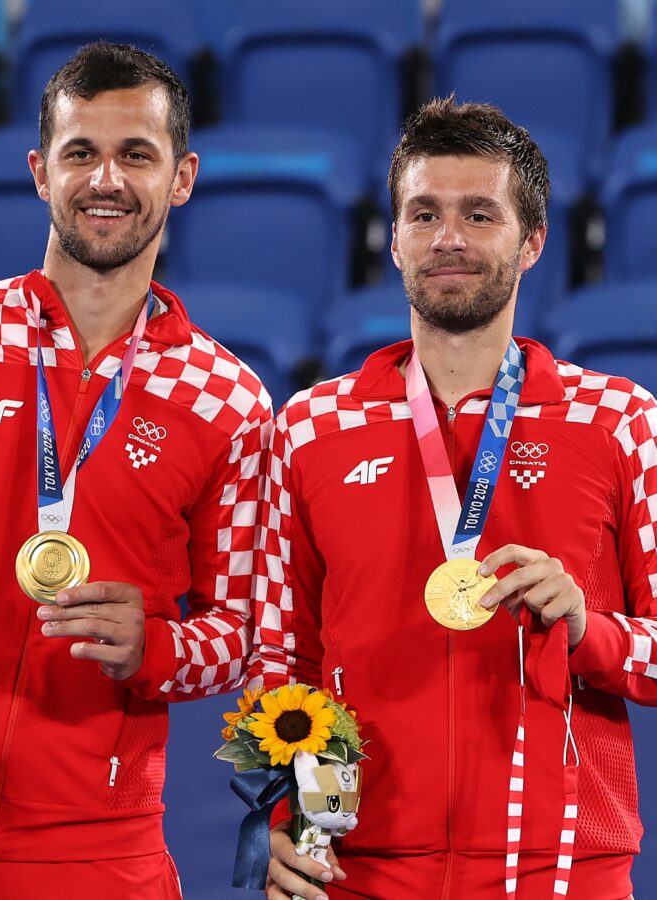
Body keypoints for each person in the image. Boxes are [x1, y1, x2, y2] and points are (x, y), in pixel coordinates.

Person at [249, 97, 656, 899]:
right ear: (393, 239)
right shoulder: (309, 427)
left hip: (558, 873)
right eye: (423, 213)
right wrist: (292, 825)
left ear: (532, 240)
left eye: (480, 214)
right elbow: (280, 661)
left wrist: (588, 630)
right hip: (358, 871)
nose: (448, 238)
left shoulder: (618, 420)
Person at [0, 42, 270, 900]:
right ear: (40, 172)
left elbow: (239, 633)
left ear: (184, 176)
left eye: (137, 154)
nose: (105, 179)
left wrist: (153, 648)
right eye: (80, 151)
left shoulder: (226, 399)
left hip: (95, 852)